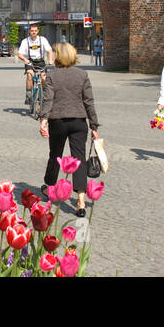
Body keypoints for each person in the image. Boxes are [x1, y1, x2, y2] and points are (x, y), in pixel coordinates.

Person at [39, 42, 99, 218]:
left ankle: (50, 187)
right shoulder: (82, 74)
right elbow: (89, 101)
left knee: (55, 155)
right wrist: (94, 125)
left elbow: (48, 100)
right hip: (79, 122)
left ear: (58, 56)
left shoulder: (52, 75)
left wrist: (43, 120)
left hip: (58, 121)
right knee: (78, 158)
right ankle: (80, 200)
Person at [17, 24, 54, 104]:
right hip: (30, 61)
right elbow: (19, 54)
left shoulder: (42, 40)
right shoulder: (25, 41)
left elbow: (50, 51)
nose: (33, 32)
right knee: (29, 75)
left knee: (44, 78)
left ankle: (44, 94)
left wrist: (50, 60)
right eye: (32, 31)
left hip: (40, 61)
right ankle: (29, 95)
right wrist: (24, 59)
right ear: (29, 31)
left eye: (35, 31)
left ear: (38, 31)